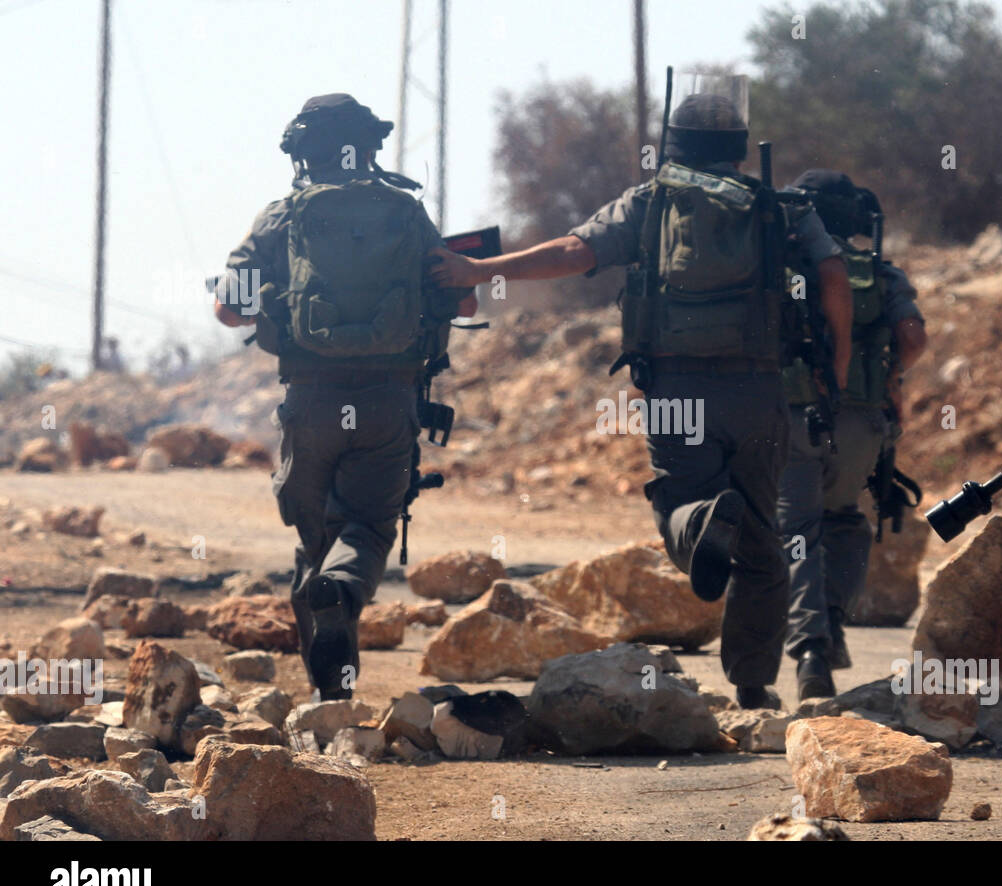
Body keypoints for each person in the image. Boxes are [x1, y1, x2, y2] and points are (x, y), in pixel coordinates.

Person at [432, 85, 853, 709]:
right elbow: (835, 279)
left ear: (673, 145)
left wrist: (480, 272)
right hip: (758, 389)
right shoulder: (782, 208)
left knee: (680, 501)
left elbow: (572, 254)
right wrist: (835, 372)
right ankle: (754, 684)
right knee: (764, 539)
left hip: (676, 388)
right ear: (739, 148)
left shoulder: (649, 204)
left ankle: (702, 522)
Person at [213, 93, 473, 699]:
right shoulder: (407, 214)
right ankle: (342, 604)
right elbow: (464, 302)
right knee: (368, 529)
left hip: (310, 403)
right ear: (370, 147)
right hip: (389, 400)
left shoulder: (282, 217)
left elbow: (228, 309)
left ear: (302, 153)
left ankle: (330, 696)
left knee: (317, 541)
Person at [776, 170, 926, 699]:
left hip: (793, 416)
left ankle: (811, 652)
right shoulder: (878, 273)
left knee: (797, 532)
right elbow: (912, 336)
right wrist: (888, 375)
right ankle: (832, 621)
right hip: (860, 421)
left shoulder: (781, 270)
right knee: (847, 522)